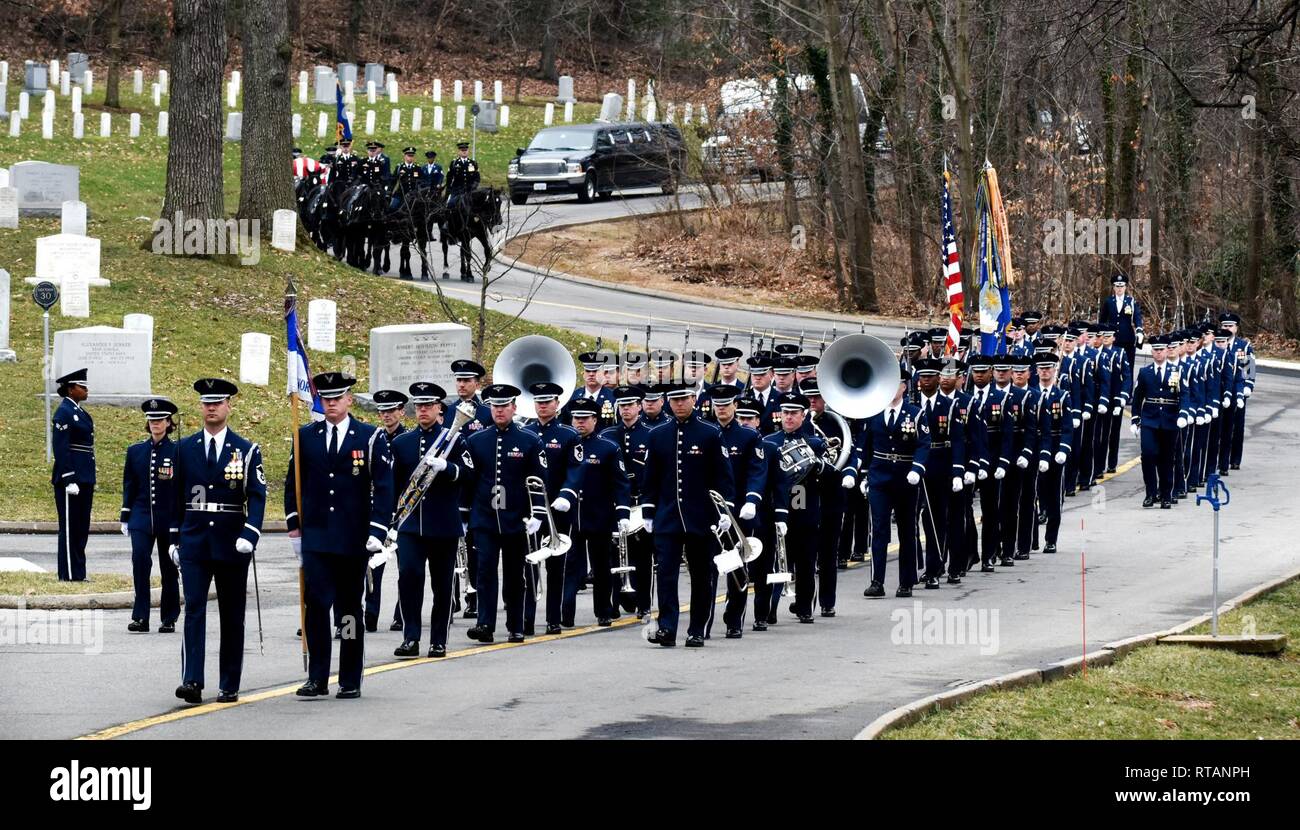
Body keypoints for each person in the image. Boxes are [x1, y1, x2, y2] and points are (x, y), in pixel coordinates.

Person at [170, 379, 267, 705]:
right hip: (195, 542)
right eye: (206, 402)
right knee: (194, 609)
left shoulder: (246, 450)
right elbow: (173, 500)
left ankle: (229, 682)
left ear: (229, 406)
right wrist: (174, 538)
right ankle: (192, 680)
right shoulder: (184, 449)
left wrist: (250, 533)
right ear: (201, 406)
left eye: (218, 402)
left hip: (231, 543)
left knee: (232, 614)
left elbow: (257, 495)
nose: (211, 407)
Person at [640, 383, 735, 647]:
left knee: (701, 575)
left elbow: (724, 478)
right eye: (674, 400)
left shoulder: (710, 433)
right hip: (668, 517)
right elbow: (651, 478)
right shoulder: (658, 435)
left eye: (684, 399)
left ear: (694, 399)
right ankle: (667, 627)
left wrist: (724, 510)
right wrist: (649, 511)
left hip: (701, 517)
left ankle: (696, 628)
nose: (679, 404)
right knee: (666, 574)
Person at [461, 384, 547, 643]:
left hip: (515, 518)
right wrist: (464, 516)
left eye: (504, 406)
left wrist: (538, 514)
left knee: (514, 573)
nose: (499, 411)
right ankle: (485, 624)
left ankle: (515, 625)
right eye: (495, 406)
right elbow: (469, 481)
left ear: (514, 407)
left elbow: (540, 479)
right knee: (485, 571)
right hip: (485, 518)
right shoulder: (476, 440)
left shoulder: (529, 440)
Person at [391, 382, 472, 659]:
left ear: (440, 408)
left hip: (443, 525)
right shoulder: (401, 443)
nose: (423, 410)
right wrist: (391, 524)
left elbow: (470, 475)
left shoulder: (455, 440)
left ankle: (438, 640)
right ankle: (411, 637)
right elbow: (393, 486)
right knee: (409, 578)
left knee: (442, 584)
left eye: (429, 405)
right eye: (419, 405)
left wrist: (448, 468)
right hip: (411, 525)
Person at [847, 366, 929, 597]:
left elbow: (923, 444)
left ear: (904, 387)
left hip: (905, 479)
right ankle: (877, 581)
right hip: (879, 478)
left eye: (897, 384)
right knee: (880, 530)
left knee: (907, 530)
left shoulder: (915, 413)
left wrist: (917, 468)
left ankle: (906, 581)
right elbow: (864, 447)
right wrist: (861, 474)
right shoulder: (873, 414)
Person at [553, 399, 633, 626]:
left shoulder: (608, 447)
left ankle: (604, 610)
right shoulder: (566, 445)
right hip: (570, 516)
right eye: (576, 418)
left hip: (599, 515)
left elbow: (621, 483)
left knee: (601, 567)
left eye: (585, 418)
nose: (579, 422)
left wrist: (623, 514)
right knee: (570, 566)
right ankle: (566, 614)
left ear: (595, 420)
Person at [707, 384, 769, 638]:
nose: (721, 409)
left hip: (738, 511)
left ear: (734, 406)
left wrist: (752, 501)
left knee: (737, 567)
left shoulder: (748, 437)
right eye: (717, 405)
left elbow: (757, 471)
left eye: (726, 405)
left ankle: (734, 619)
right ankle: (705, 622)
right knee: (707, 568)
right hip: (709, 510)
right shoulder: (705, 433)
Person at [760, 391, 827, 624]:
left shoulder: (815, 443)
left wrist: (820, 466)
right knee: (776, 560)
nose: (788, 417)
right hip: (778, 510)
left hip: (806, 509)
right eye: (785, 413)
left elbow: (830, 477)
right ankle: (770, 608)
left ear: (803, 415)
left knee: (806, 561)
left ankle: (805, 606)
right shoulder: (769, 442)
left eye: (794, 413)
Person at [522, 381, 580, 634]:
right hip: (532, 510)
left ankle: (553, 618)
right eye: (538, 402)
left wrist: (567, 495)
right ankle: (527, 618)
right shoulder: (524, 432)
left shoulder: (569, 435)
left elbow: (576, 469)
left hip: (558, 509)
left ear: (557, 404)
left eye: (547, 401)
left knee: (556, 566)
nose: (542, 406)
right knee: (529, 564)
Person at [122, 398, 181, 632]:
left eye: (160, 420)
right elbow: (130, 484)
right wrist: (125, 515)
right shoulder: (136, 451)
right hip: (141, 516)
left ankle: (169, 617)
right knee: (140, 562)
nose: (155, 423)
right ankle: (140, 616)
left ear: (168, 422)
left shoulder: (178, 451)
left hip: (168, 518)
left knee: (169, 568)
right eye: (152, 420)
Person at [600, 386, 654, 618]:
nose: (626, 410)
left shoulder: (651, 434)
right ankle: (614, 602)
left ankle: (644, 602)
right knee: (613, 554)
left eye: (630, 405)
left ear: (639, 407)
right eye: (622, 406)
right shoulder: (608, 435)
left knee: (643, 555)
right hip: (615, 501)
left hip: (641, 500)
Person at [913, 359, 966, 588]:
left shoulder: (949, 406)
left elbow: (957, 440)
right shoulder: (911, 406)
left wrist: (957, 471)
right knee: (912, 520)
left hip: (940, 465)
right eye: (922, 377)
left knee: (936, 520)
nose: (926, 381)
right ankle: (915, 567)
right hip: (913, 467)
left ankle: (936, 567)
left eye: (930, 377)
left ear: (938, 379)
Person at [1132, 336, 1189, 508]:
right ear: (1152, 352)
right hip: (1150, 419)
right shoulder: (1145, 372)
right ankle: (1151, 493)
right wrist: (1135, 418)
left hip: (1170, 420)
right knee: (1148, 455)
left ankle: (1166, 495)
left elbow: (1184, 394)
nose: (1158, 353)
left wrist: (1183, 414)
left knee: (1167, 458)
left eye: (1162, 349)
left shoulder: (1176, 371)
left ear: (1167, 351)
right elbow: (1137, 397)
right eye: (1155, 350)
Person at [52, 368, 94, 582]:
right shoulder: (64, 412)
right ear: (71, 389)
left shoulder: (79, 411)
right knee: (70, 529)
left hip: (84, 477)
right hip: (72, 479)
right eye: (82, 386)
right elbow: (60, 448)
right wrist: (68, 477)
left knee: (81, 528)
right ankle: (68, 574)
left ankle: (78, 573)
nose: (86, 390)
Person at [1033, 354, 1074, 552]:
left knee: (1054, 495)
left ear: (1054, 370)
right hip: (1036, 449)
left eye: (1048, 368)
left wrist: (1064, 450)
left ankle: (1051, 539)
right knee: (1032, 494)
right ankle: (1030, 539)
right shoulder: (1031, 395)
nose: (1045, 372)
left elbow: (1067, 427)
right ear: (1037, 371)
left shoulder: (1062, 396)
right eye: (1041, 368)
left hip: (1056, 449)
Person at [1099, 272, 1143, 370]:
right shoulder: (1109, 301)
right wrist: (1101, 334)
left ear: (1125, 287)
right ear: (1114, 287)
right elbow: (1102, 320)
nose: (1119, 289)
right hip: (1113, 339)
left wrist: (1139, 330)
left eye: (1122, 286)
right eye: (1117, 286)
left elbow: (1137, 317)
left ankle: (1128, 385)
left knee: (1128, 366)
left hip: (1128, 339)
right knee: (1113, 366)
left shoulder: (1131, 301)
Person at [445, 141, 479, 210]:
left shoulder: (473, 163)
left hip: (470, 190)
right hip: (457, 191)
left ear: (468, 151)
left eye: (465, 150)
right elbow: (449, 177)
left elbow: (477, 177)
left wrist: (474, 185)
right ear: (459, 152)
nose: (464, 152)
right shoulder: (454, 163)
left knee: (478, 206)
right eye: (462, 150)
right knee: (450, 205)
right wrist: (449, 189)